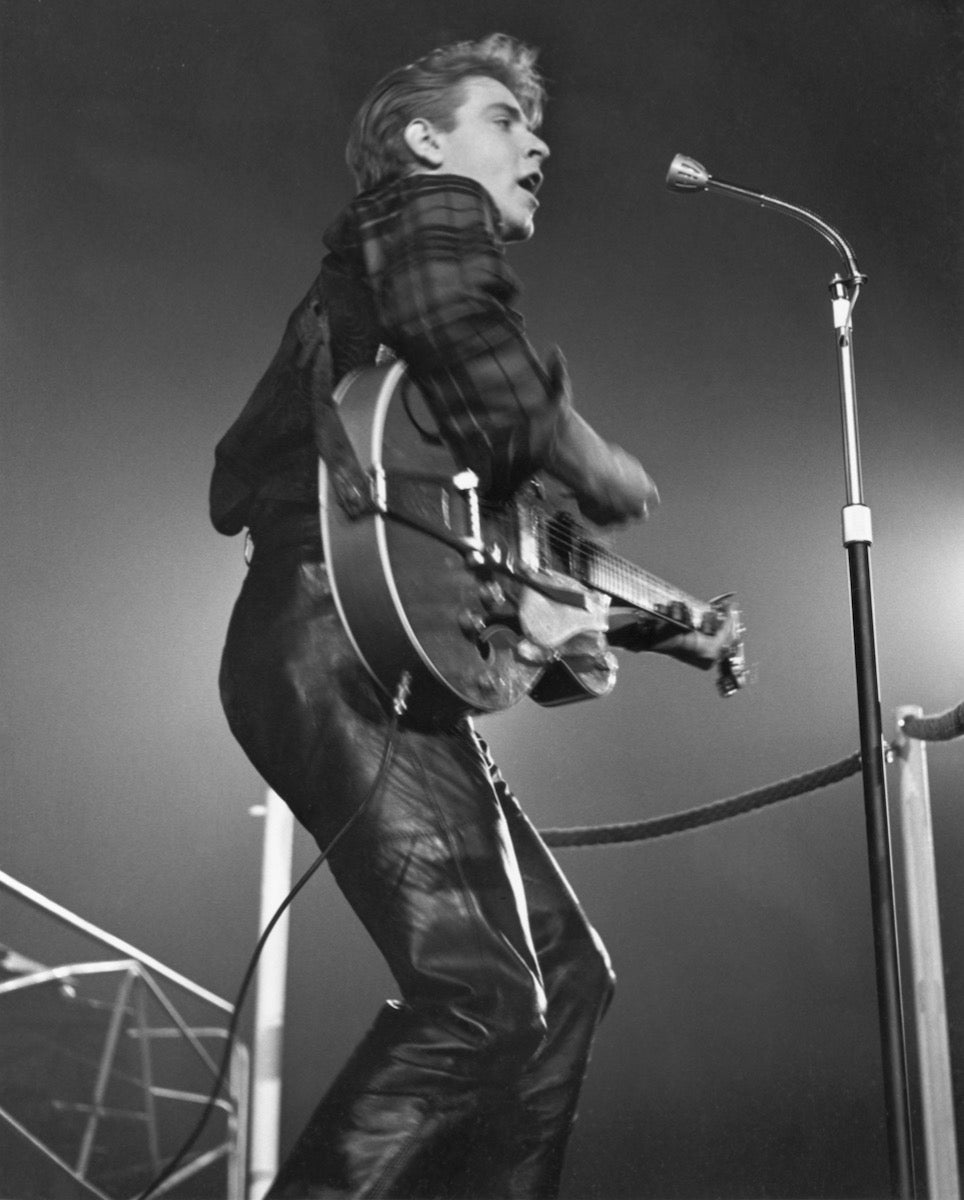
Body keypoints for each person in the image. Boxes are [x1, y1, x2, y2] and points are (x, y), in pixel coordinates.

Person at [211, 33, 734, 1199]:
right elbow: (462, 322)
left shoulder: (443, 425)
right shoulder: (421, 215)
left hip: (378, 659)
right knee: (482, 995)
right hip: (324, 634)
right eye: (505, 117)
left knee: (560, 979)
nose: (537, 139)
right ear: (425, 140)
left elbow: (516, 554)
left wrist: (667, 620)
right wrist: (583, 447)